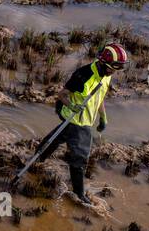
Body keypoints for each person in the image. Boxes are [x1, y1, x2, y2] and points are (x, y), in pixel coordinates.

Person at [36, 42, 127, 208]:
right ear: (103, 62)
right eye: (114, 67)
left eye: (118, 68)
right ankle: (79, 193)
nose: (115, 71)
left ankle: (38, 158)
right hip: (77, 120)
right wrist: (72, 106)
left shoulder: (106, 75)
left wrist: (103, 118)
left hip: (84, 119)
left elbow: (100, 98)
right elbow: (62, 94)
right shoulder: (83, 75)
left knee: (58, 137)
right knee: (80, 157)